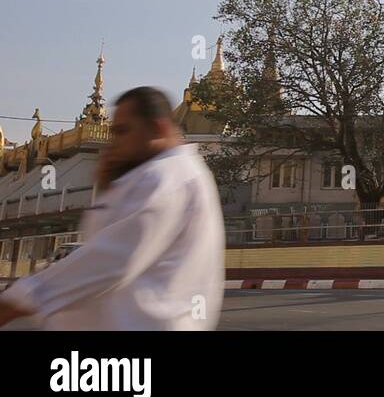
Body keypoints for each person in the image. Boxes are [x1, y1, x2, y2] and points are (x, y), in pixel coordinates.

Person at [0, 87, 225, 330]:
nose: (114, 142)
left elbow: (111, 259)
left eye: (122, 131)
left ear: (158, 128)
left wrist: (18, 300)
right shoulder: (167, 173)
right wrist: (109, 186)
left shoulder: (165, 177)